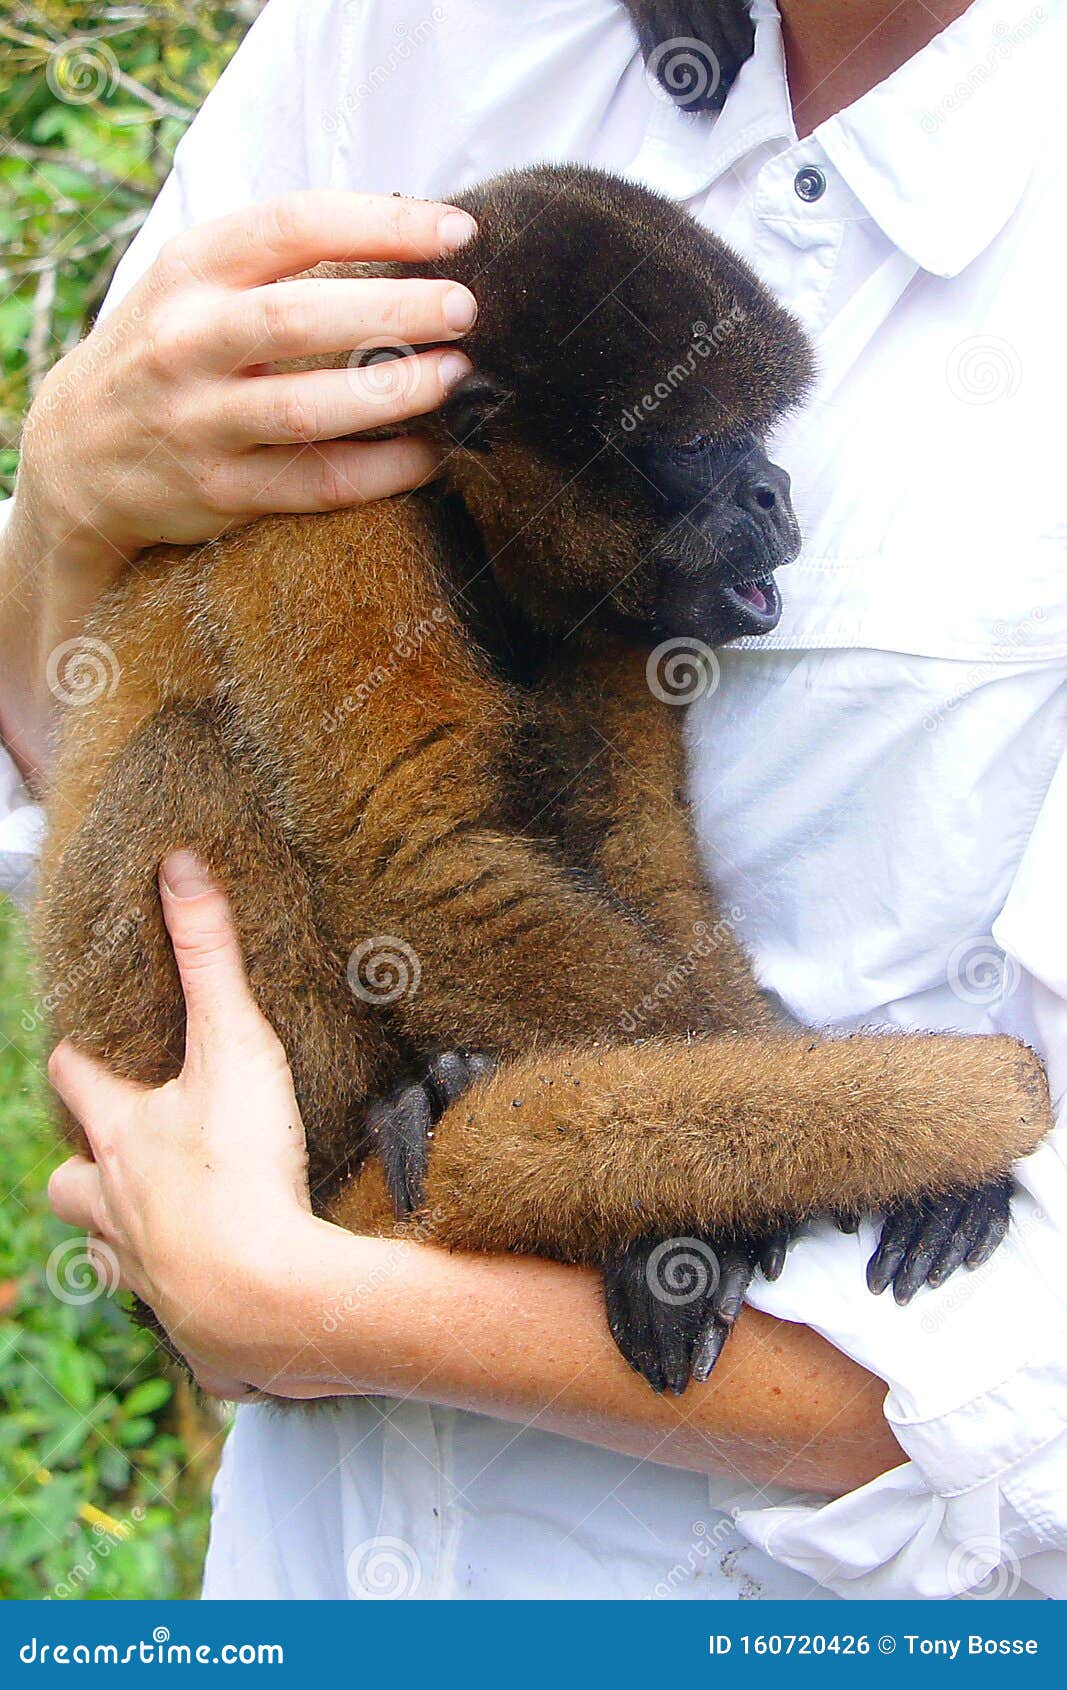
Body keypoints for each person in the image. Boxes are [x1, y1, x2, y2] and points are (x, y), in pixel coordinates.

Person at [1, 0, 1064, 1600]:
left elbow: (645, 873)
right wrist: (61, 498)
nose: (763, 501)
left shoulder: (581, 574)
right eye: (703, 459)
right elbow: (436, 888)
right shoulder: (349, 509)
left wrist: (744, 1132)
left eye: (755, 453)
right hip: (305, 1107)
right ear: (497, 444)